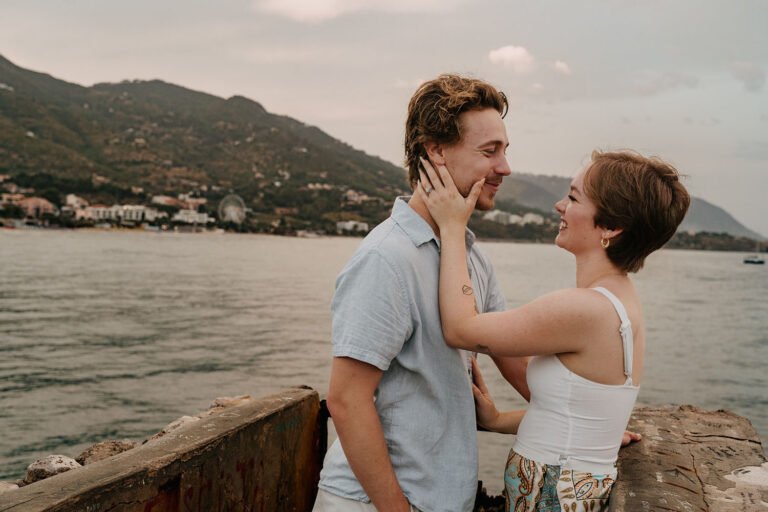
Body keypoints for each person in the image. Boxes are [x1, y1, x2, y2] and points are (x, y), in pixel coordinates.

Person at [416, 150, 690, 511]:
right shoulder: (620, 302)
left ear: (610, 227)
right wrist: (497, 421)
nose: (560, 205)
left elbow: (461, 330)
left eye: (574, 197)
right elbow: (575, 415)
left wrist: (452, 228)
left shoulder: (583, 308)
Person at [313, 74, 530, 512]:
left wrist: (587, 421)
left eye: (505, 151)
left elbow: (518, 363)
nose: (505, 168)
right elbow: (347, 398)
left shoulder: (471, 257)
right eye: (490, 152)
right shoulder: (386, 258)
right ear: (435, 150)